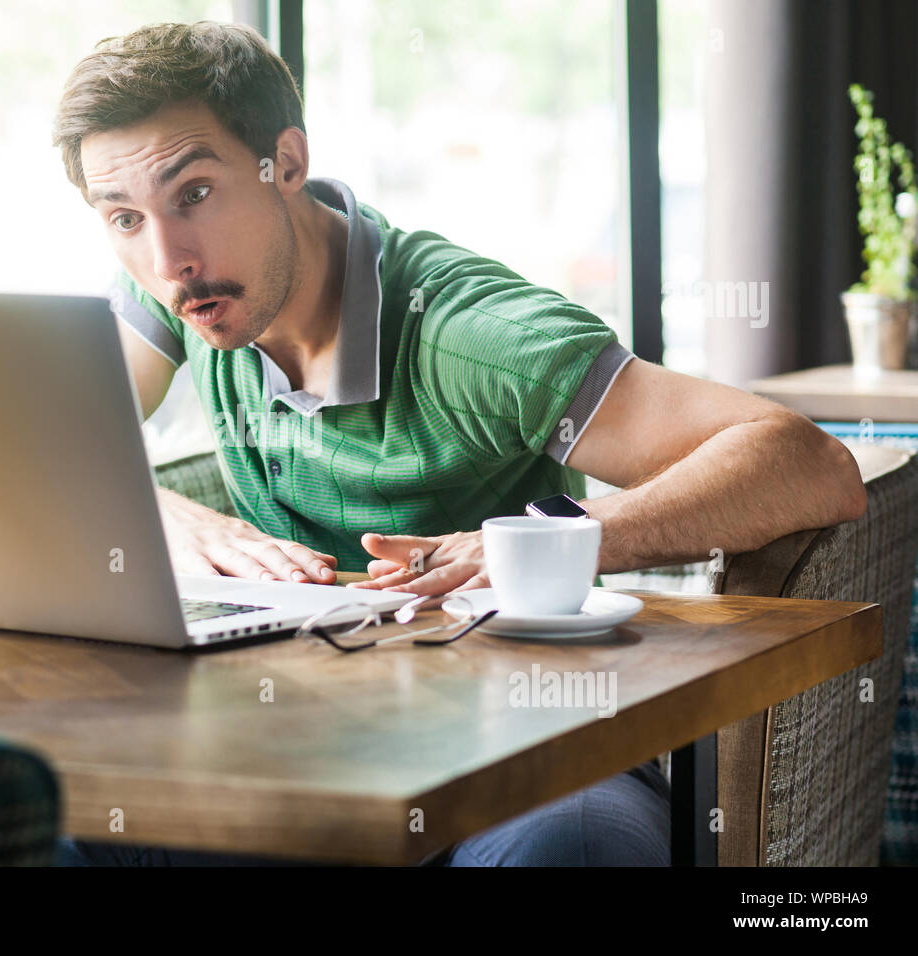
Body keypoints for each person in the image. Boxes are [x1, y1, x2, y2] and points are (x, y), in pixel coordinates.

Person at [50, 21, 866, 866]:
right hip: (290, 741)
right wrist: (175, 519)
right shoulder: (184, 287)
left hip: (511, 748)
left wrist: (545, 542)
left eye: (194, 194)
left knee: (572, 852)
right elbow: (52, 442)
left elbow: (807, 461)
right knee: (30, 813)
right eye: (123, 218)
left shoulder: (467, 335)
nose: (167, 257)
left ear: (285, 162)